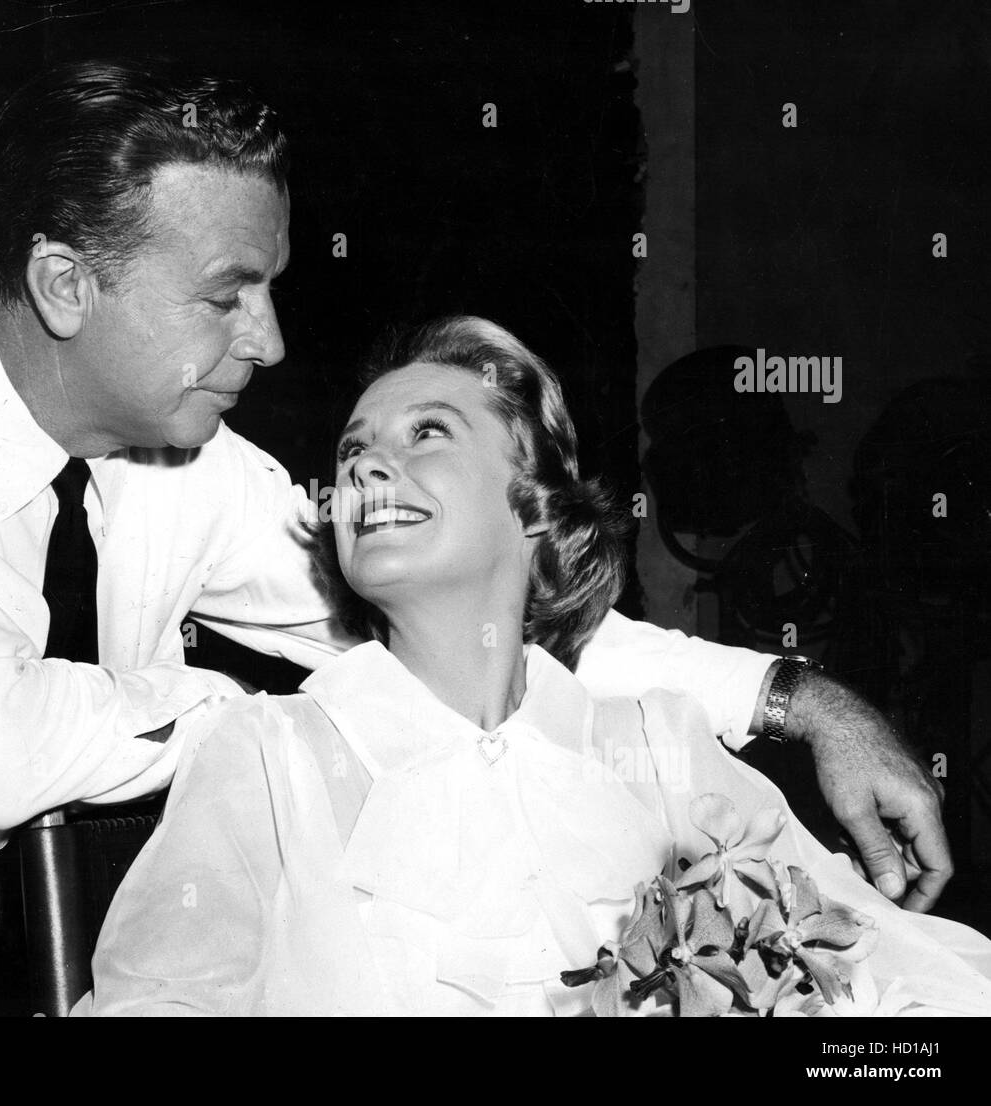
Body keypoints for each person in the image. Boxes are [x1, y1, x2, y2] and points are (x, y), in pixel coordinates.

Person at [0, 61, 945, 1016]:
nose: (272, 340)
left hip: (47, 966)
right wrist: (258, 710)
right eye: (226, 292)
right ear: (67, 285)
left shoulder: (186, 466)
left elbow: (500, 621)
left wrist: (799, 699)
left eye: (273, 284)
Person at [77, 317, 991, 1017]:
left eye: (425, 433)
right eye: (353, 451)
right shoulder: (269, 758)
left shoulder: (656, 746)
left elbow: (882, 973)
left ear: (534, 509)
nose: (365, 471)